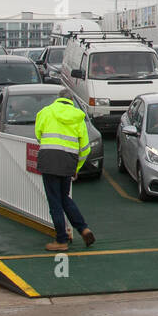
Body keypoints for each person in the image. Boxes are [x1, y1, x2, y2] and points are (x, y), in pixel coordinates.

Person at [34, 94, 95, 251]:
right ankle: (83, 228)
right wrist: (77, 167)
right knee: (64, 198)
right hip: (68, 161)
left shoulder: (45, 112)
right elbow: (85, 149)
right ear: (72, 102)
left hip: (49, 160)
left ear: (57, 98)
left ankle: (61, 240)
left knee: (55, 202)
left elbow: (38, 135)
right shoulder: (78, 118)